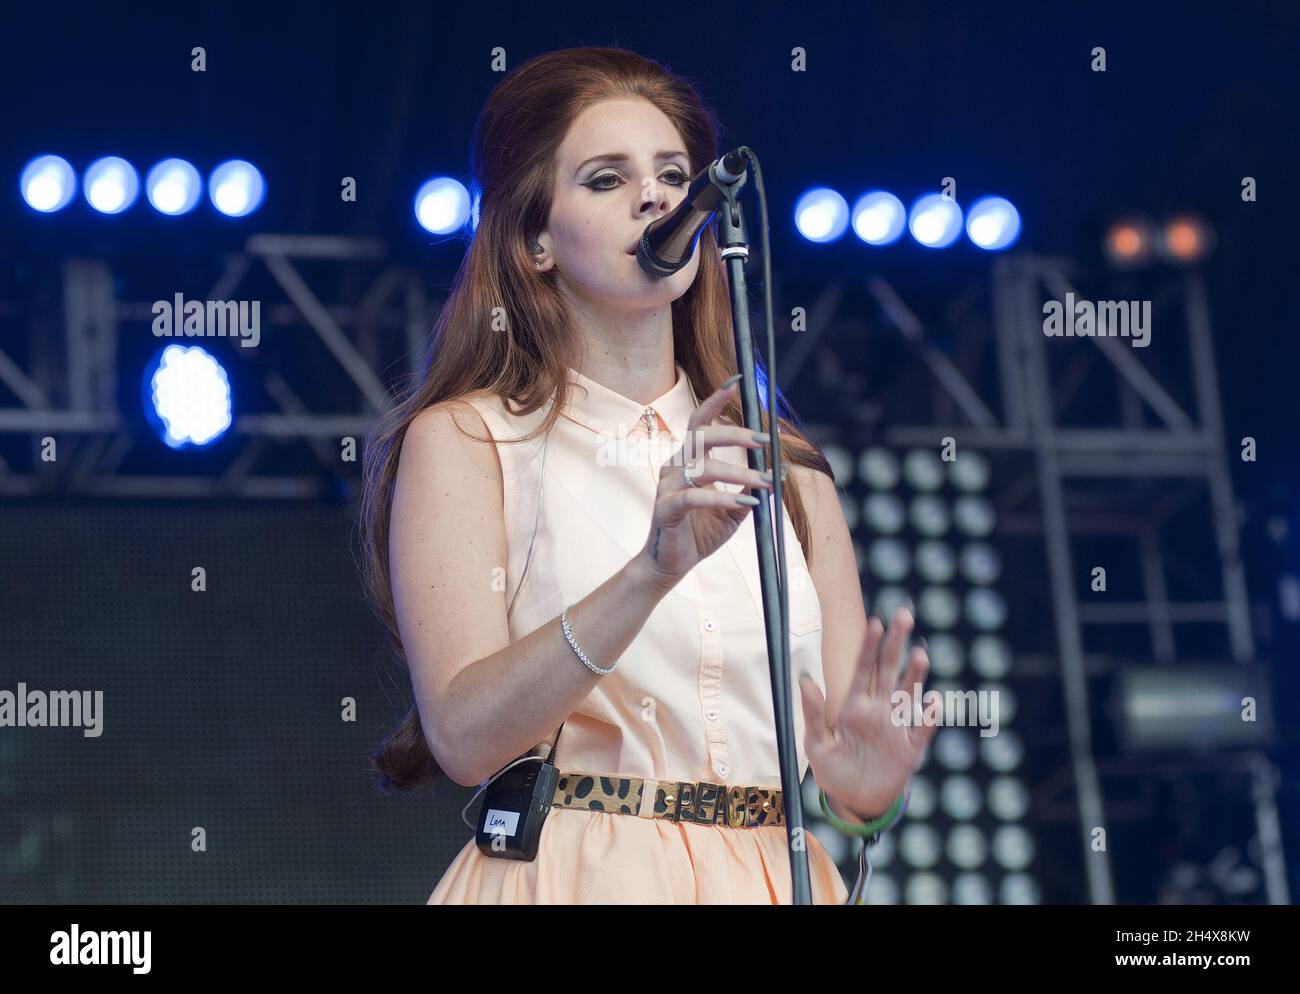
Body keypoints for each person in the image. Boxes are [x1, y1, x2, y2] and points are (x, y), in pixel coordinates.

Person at [359, 46, 937, 904]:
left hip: (775, 875)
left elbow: (846, 785)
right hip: (579, 872)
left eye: (674, 173)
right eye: (605, 179)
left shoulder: (787, 468)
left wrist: (870, 791)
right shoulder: (471, 439)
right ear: (534, 239)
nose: (659, 197)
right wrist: (649, 573)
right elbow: (464, 735)